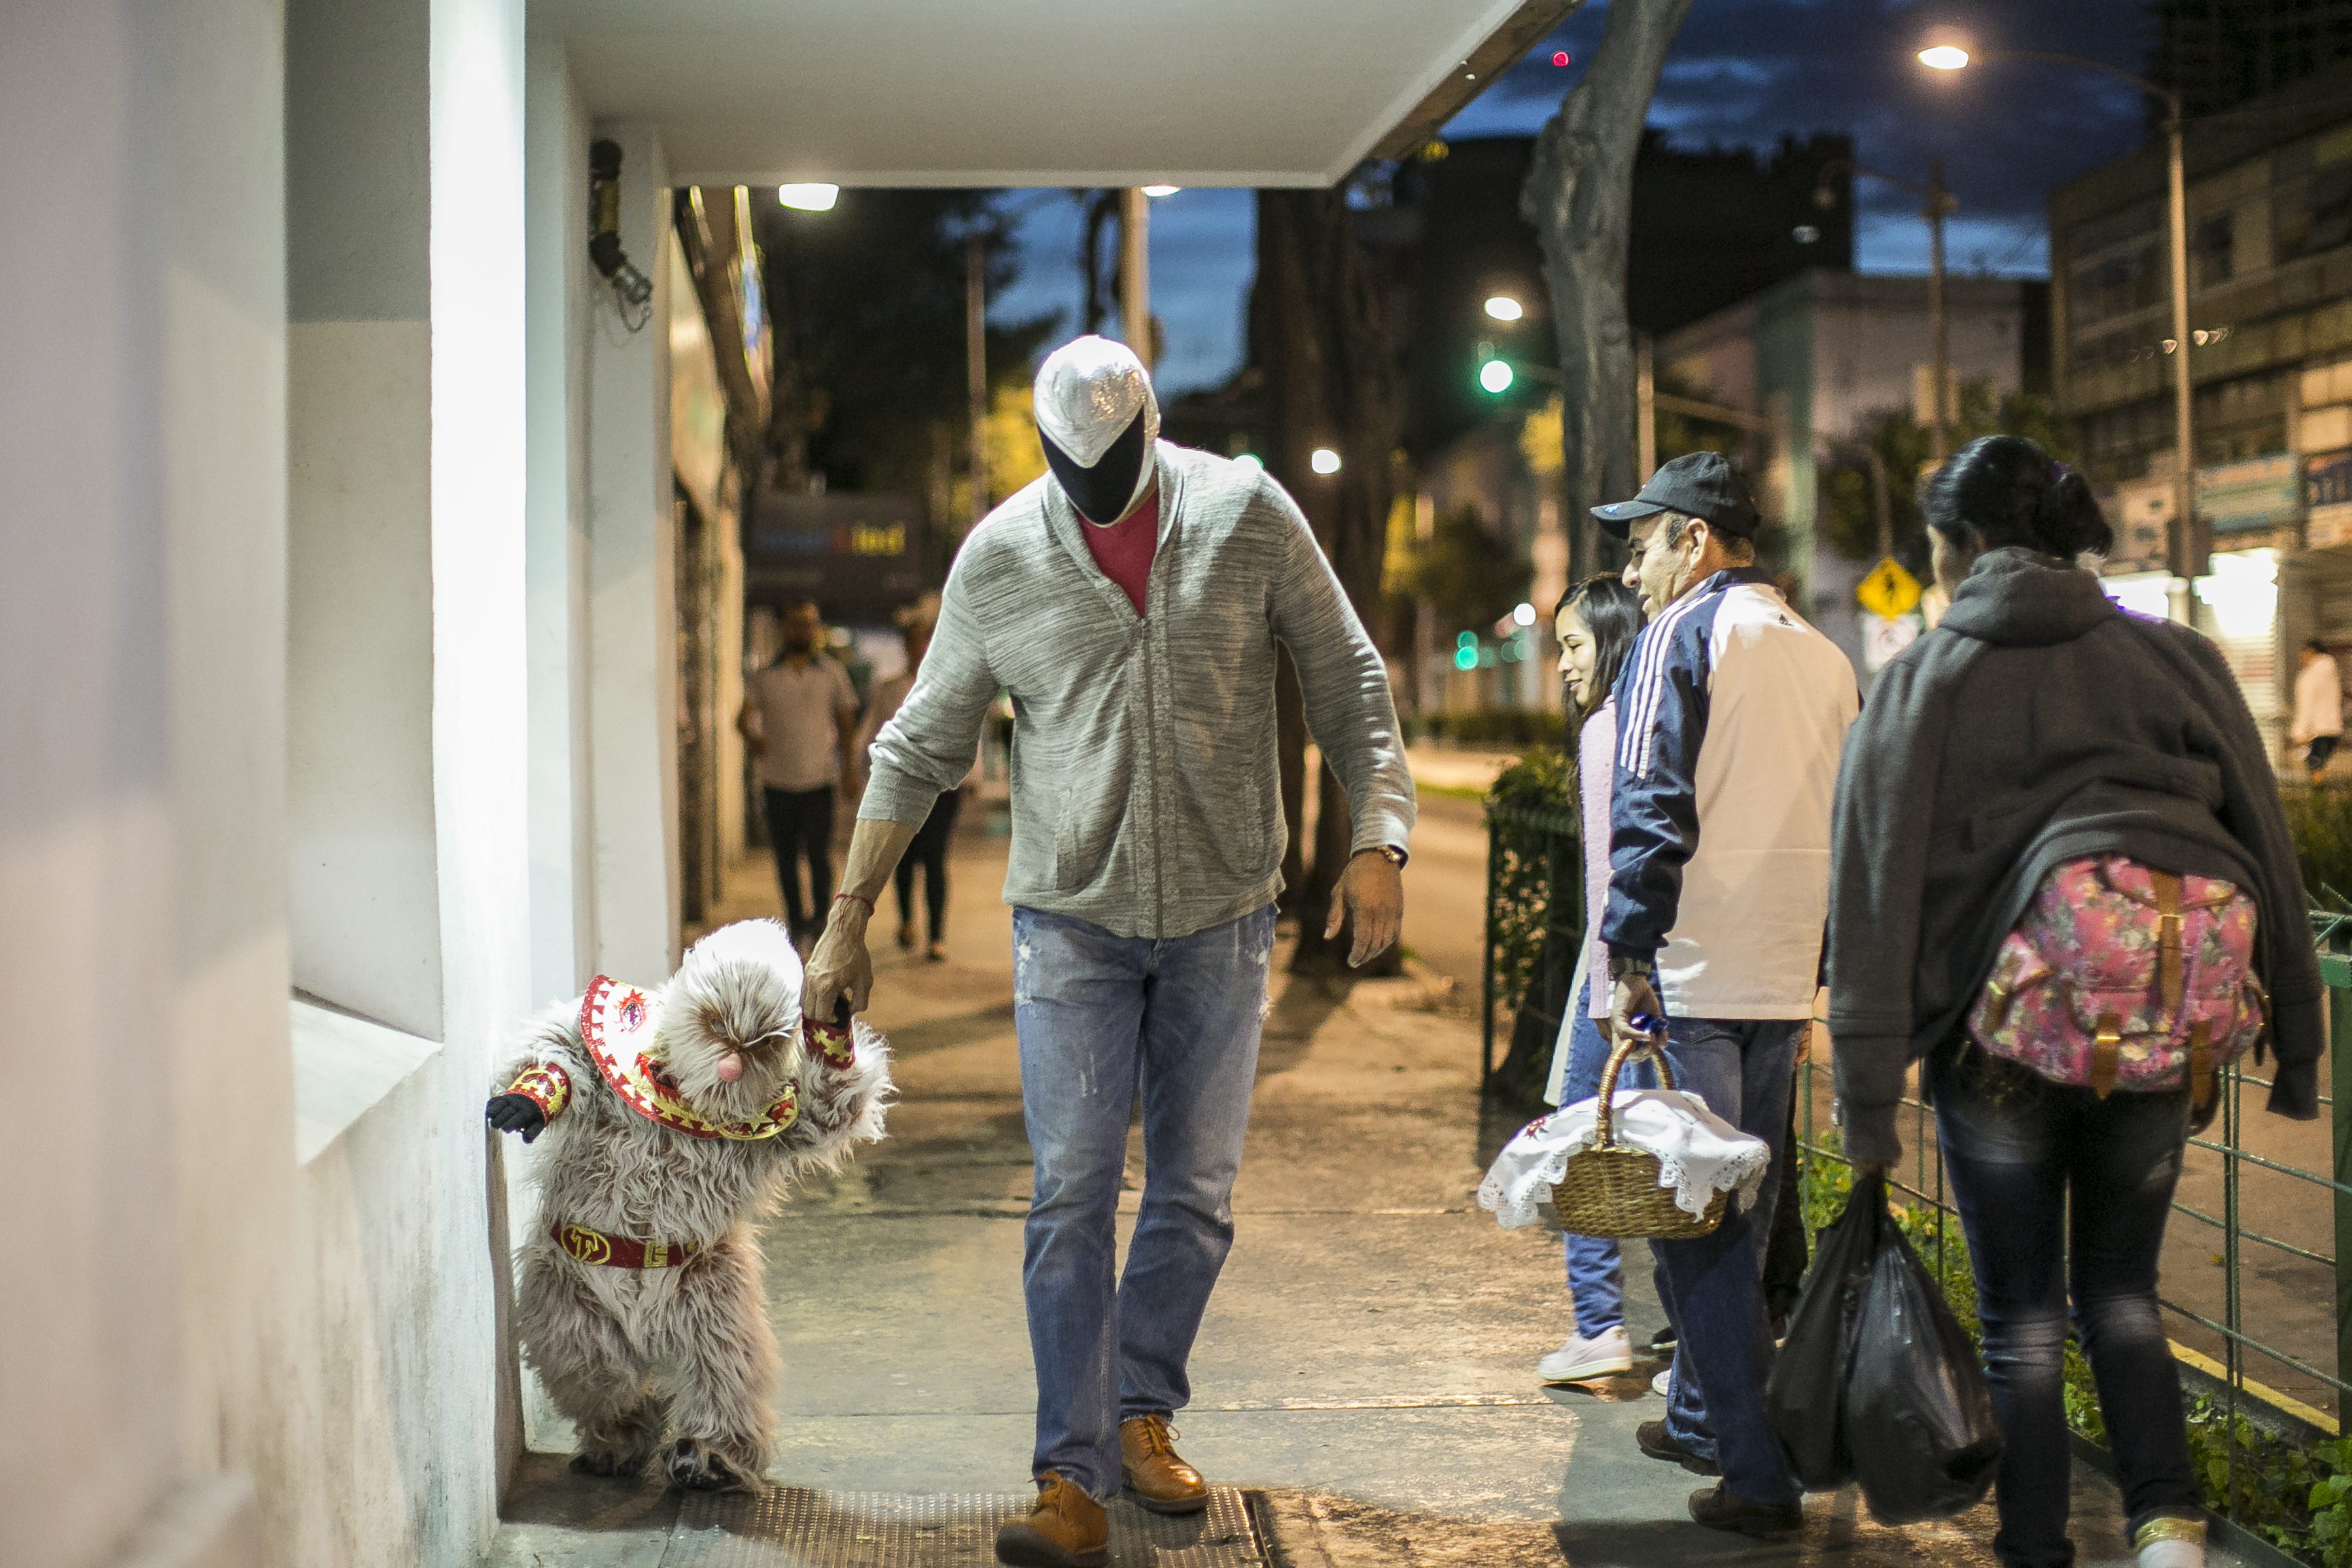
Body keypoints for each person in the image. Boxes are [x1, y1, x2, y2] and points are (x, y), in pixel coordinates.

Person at [803, 336, 1414, 1568]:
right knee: (1071, 1193)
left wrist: (1378, 836)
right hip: (1069, 925)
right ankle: (1067, 1475)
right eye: (1075, 468)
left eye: (1118, 460)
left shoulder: (1245, 512)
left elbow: (1346, 671)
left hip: (1223, 916)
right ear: (1044, 452)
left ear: (1152, 423)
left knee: (1195, 1195)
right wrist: (845, 919)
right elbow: (919, 745)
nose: (1099, 486)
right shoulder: (999, 558)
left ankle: (1142, 1407)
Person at [1829, 436, 2323, 1568]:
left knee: (2023, 1320)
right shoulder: (2178, 659)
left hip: (1995, 1047)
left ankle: (2037, 1547)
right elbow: (2266, 842)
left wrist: (1865, 1098)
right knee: (2123, 1294)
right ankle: (2167, 1527)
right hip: (2158, 1034)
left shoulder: (1922, 680)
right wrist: (2296, 1036)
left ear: (1958, 545)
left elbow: (1873, 891)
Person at [1595, 450, 1859, 1538]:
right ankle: (1702, 1416)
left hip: (1693, 970)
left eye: (1641, 544)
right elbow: (1850, 823)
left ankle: (1756, 1473)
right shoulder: (1825, 655)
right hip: (1783, 975)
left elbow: (1648, 797)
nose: (1633, 568)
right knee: (1740, 1216)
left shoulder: (1679, 634)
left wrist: (1625, 947)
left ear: (1693, 540)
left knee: (1690, 1221)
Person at [1537, 574, 1651, 1385]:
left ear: (1610, 640)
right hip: (1658, 961)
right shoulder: (1656, 719)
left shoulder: (1608, 727)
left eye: (1574, 645)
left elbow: (1608, 873)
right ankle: (1686, 1340)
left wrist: (1609, 983)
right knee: (1671, 1148)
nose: (1564, 664)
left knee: (1583, 1135)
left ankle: (1599, 1324)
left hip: (1617, 966)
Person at [739, 601, 860, 947]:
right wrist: (753, 738)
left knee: (820, 857)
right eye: (796, 623)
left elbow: (846, 723)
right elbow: (742, 718)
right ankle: (795, 921)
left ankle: (821, 919)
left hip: (819, 781)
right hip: (777, 782)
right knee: (786, 859)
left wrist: (849, 769)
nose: (803, 630)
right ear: (784, 628)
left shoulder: (832, 673)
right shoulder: (764, 676)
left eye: (809, 624)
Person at [862, 596, 968, 961]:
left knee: (935, 856)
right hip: (901, 784)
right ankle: (907, 920)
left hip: (941, 786)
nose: (919, 647)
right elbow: (872, 733)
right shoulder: (888, 689)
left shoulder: (950, 685)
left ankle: (937, 936)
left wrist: (972, 774)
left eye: (925, 640)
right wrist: (864, 771)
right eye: (913, 640)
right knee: (903, 856)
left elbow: (967, 730)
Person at [2291, 637, 2342, 784]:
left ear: (2311, 652)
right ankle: (2319, 792)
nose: (2300, 656)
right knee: (2319, 766)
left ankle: (2317, 795)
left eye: (2302, 652)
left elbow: (2306, 705)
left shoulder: (2310, 676)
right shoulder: (2331, 672)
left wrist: (2299, 733)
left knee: (2315, 768)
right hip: (2333, 729)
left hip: (2316, 731)